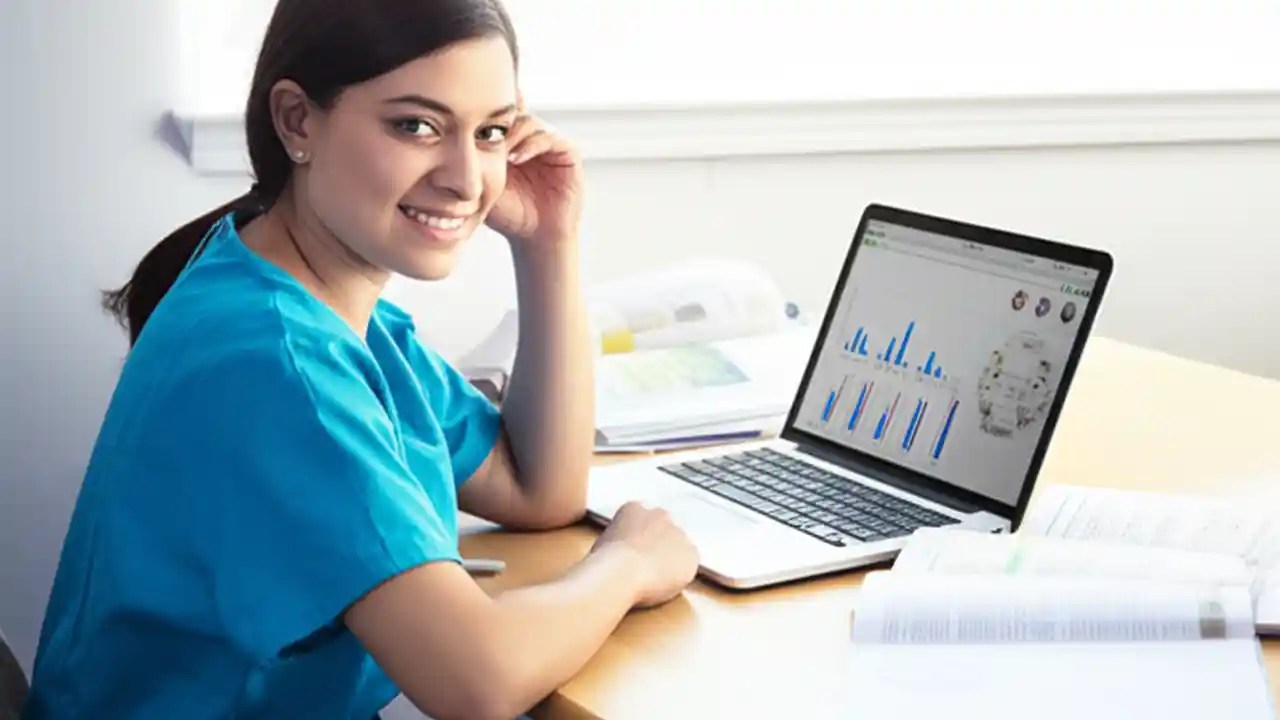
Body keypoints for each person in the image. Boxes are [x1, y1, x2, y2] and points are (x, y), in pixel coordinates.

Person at [24, 1, 698, 718]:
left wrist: (548, 243)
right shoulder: (275, 364)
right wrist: (628, 564)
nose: (468, 178)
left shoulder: (332, 311)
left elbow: (538, 489)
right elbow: (479, 681)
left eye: (492, 131)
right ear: (297, 121)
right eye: (417, 126)